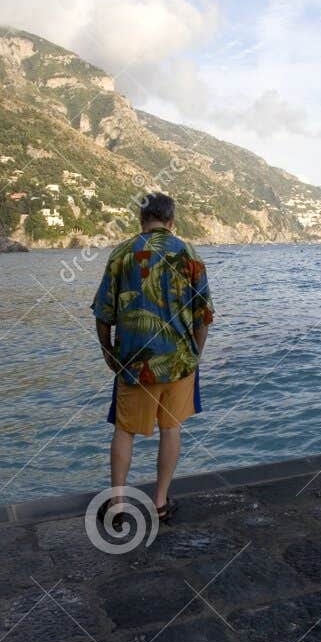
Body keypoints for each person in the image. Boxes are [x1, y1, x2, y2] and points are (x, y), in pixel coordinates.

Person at [91, 191, 214, 524]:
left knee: (124, 430)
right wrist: (196, 355)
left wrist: (107, 350)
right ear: (171, 220)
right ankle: (160, 502)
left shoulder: (122, 253)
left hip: (134, 362)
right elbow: (203, 314)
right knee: (171, 428)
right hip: (179, 362)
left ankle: (117, 504)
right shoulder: (188, 252)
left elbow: (103, 312)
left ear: (141, 220)